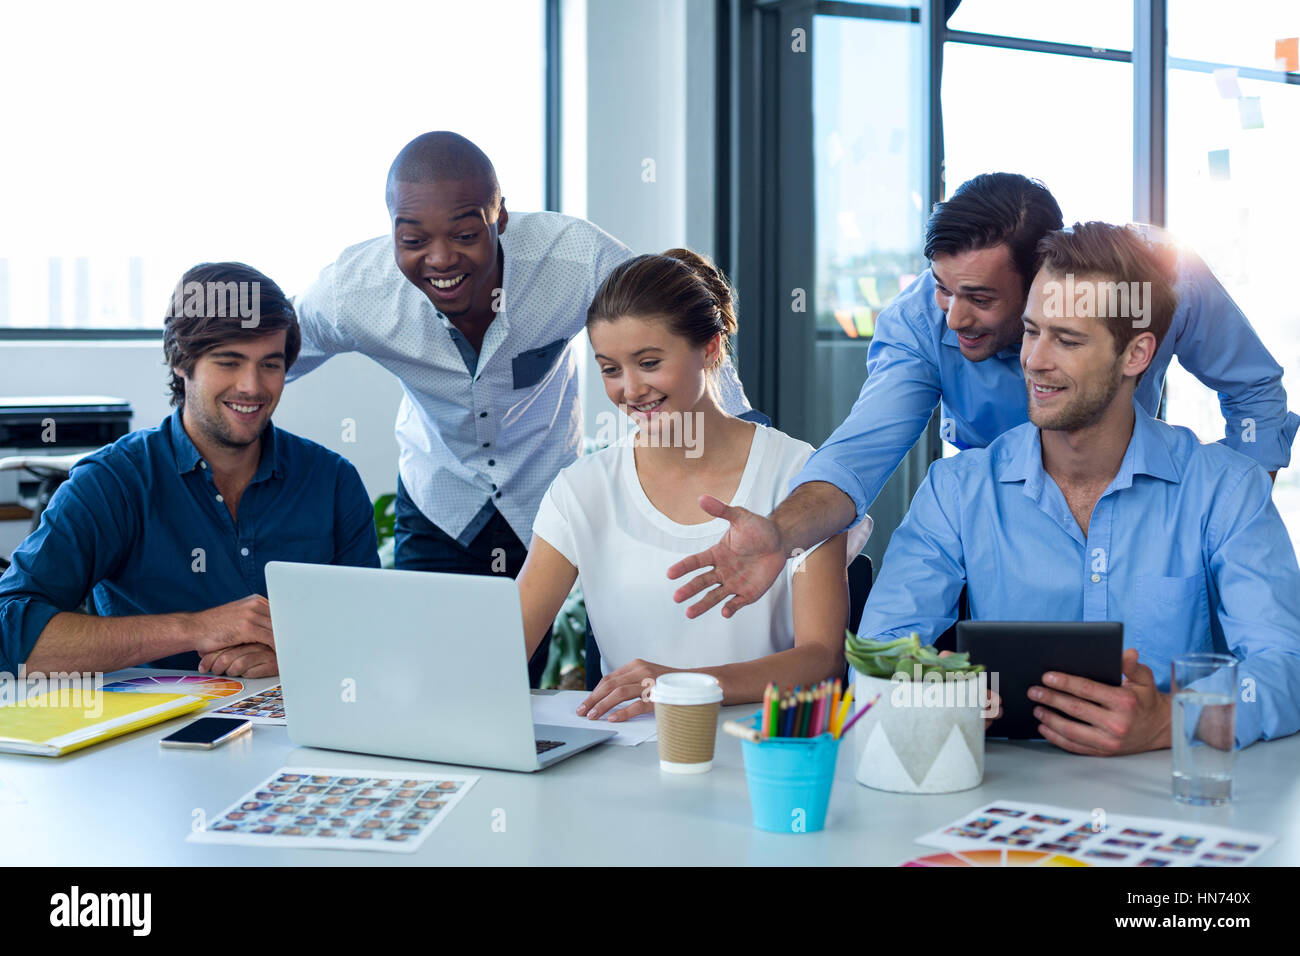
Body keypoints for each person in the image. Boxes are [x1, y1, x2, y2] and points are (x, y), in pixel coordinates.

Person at [668, 173, 1298, 620]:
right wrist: (781, 531)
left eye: (981, 298)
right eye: (944, 287)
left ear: (1043, 280)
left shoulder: (1157, 276)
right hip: (1001, 546)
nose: (953, 317)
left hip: (1139, 518)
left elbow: (1256, 397)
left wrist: (1223, 519)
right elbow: (859, 458)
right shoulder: (921, 321)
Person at [289, 132, 751, 685]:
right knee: (422, 677)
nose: (439, 259)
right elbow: (271, 352)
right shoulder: (353, 290)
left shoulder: (575, 259)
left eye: (464, 233)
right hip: (441, 496)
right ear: (392, 229)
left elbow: (671, 321)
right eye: (413, 239)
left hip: (542, 498)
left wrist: (743, 442)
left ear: (499, 217)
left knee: (514, 686)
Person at [857, 223, 1300, 752]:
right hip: (1002, 806)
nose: (1035, 360)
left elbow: (1285, 667)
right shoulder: (957, 492)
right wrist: (935, 688)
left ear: (1136, 355)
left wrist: (1171, 719)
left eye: (1066, 339)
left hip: (1175, 805)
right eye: (1031, 331)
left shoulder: (1226, 491)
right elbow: (879, 652)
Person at [0, 263, 379, 678]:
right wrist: (195, 628)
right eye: (229, 362)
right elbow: (9, 633)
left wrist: (293, 654)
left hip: (300, 725)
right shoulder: (113, 482)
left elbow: (372, 627)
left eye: (269, 364)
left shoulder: (332, 480)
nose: (252, 386)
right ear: (181, 361)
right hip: (145, 733)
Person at [515, 250, 848, 721]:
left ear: (710, 348)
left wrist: (679, 686)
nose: (629, 390)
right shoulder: (581, 491)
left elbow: (822, 660)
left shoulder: (800, 476)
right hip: (624, 761)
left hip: (761, 752)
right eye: (610, 369)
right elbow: (510, 643)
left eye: (649, 363)